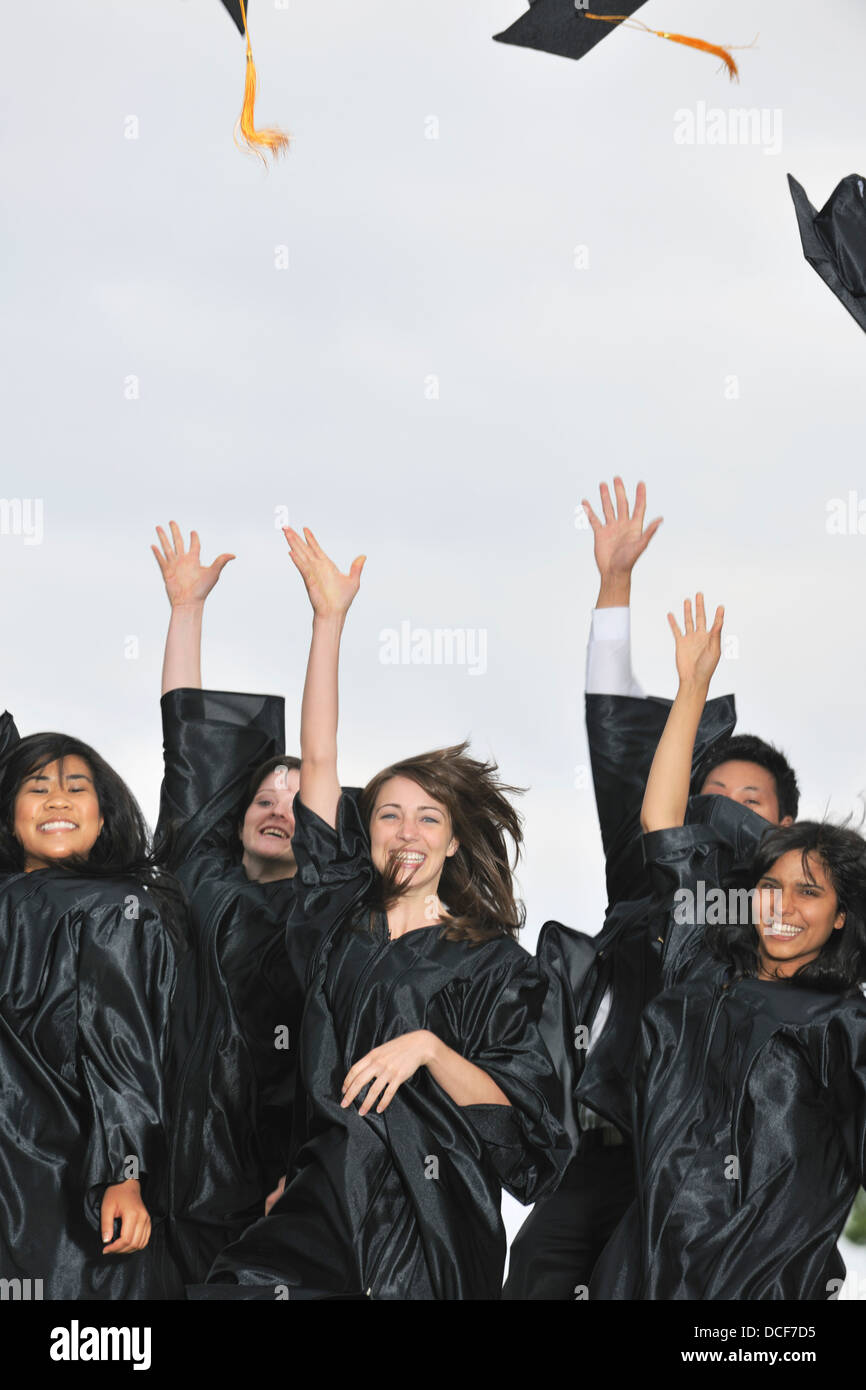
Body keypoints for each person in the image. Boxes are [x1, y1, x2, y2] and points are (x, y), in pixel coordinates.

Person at [193, 526, 570, 1300]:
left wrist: (428, 1048)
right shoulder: (340, 921)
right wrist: (328, 619)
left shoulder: (500, 967)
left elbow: (525, 1122)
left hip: (434, 1211)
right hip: (327, 1190)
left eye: (429, 817)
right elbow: (320, 761)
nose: (406, 831)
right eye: (389, 814)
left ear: (456, 839)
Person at [505, 478, 798, 1300]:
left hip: (708, 1169)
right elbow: (615, 735)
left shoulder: (787, 924)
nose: (729, 812)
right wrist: (615, 586)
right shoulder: (651, 875)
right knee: (536, 1273)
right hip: (603, 1146)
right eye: (718, 794)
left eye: (754, 804)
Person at [590, 594, 866, 1299]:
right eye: (772, 887)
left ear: (841, 917)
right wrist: (691, 690)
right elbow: (661, 820)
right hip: (638, 1276)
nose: (783, 907)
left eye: (811, 892)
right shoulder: (697, 965)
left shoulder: (842, 1024)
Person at [151, 522, 308, 1282]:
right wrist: (186, 610)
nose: (278, 808)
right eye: (266, 794)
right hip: (177, 1162)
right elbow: (188, 753)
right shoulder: (201, 882)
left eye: (298, 800)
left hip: (281, 1172)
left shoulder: (335, 918)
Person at [0, 718, 184, 1299]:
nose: (57, 797)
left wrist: (122, 1174)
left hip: (63, 1173)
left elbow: (120, 1047)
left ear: (104, 819)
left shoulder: (115, 908)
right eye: (36, 787)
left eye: (77, 788)